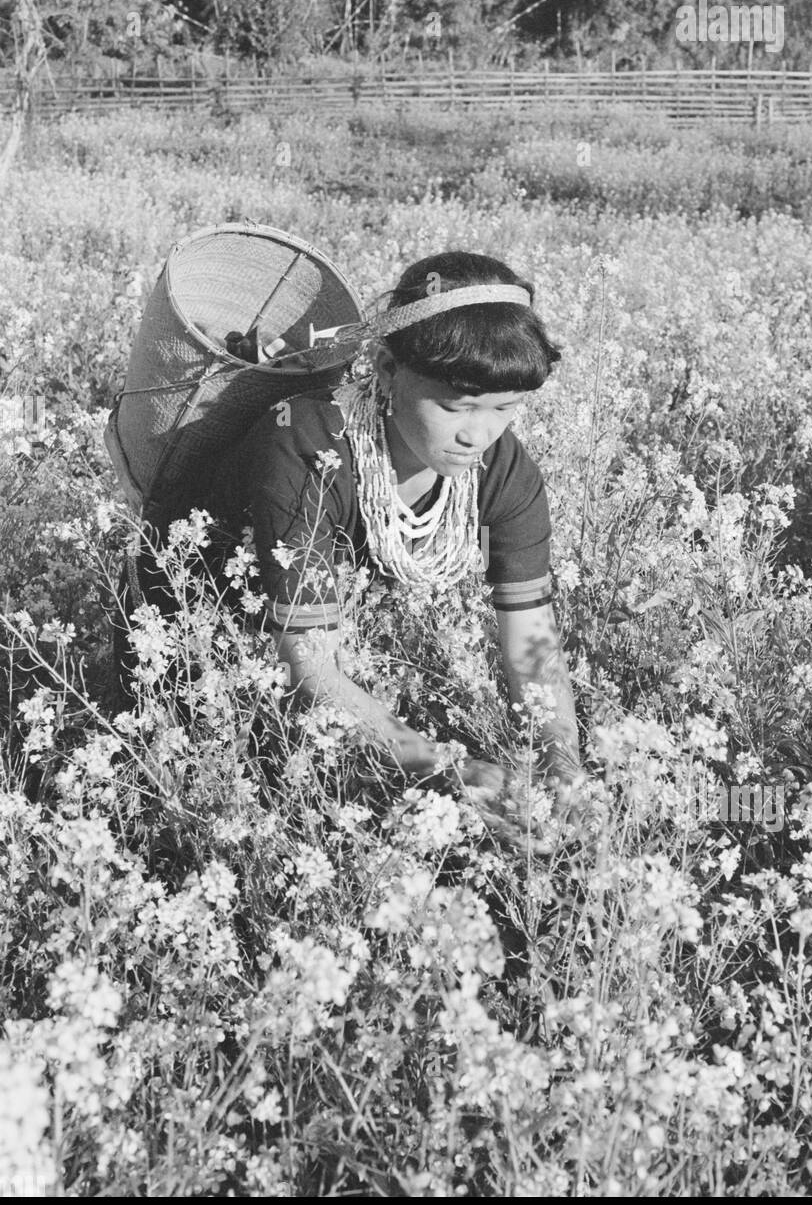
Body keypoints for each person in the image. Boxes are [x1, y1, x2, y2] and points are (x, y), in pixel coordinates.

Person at [115, 250, 585, 846]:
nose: (478, 433)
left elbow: (533, 645)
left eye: (504, 408)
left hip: (329, 677)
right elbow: (305, 663)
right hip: (191, 668)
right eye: (455, 406)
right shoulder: (308, 446)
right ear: (387, 371)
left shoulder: (503, 469)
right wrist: (448, 770)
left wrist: (561, 767)